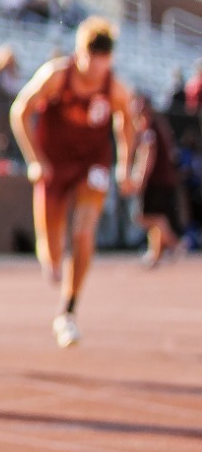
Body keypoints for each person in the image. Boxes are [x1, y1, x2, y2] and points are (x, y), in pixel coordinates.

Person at [8, 18, 138, 347]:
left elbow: (127, 124)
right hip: (54, 165)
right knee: (51, 257)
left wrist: (124, 165)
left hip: (92, 165)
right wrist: (35, 159)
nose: (96, 66)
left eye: (103, 59)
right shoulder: (56, 76)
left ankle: (68, 311)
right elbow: (20, 110)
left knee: (83, 232)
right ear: (79, 53)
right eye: (91, 57)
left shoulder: (115, 88)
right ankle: (54, 263)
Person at [132, 95, 184, 267]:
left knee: (147, 216)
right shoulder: (159, 123)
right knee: (157, 216)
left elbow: (148, 153)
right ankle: (155, 253)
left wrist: (140, 178)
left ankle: (175, 245)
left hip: (156, 180)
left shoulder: (149, 127)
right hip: (165, 179)